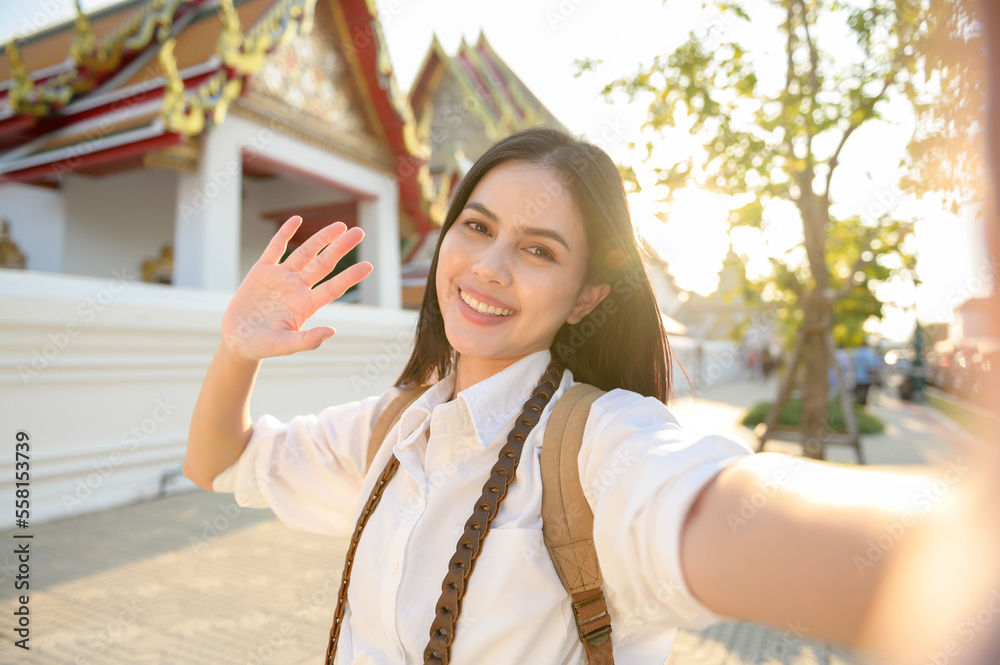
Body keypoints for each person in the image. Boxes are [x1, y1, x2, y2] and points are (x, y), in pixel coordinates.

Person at [183, 127, 966, 665]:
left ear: (587, 295)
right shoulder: (395, 425)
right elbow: (217, 461)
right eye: (476, 226)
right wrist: (236, 349)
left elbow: (719, 504)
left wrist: (959, 555)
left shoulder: (600, 447)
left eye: (537, 249)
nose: (488, 266)